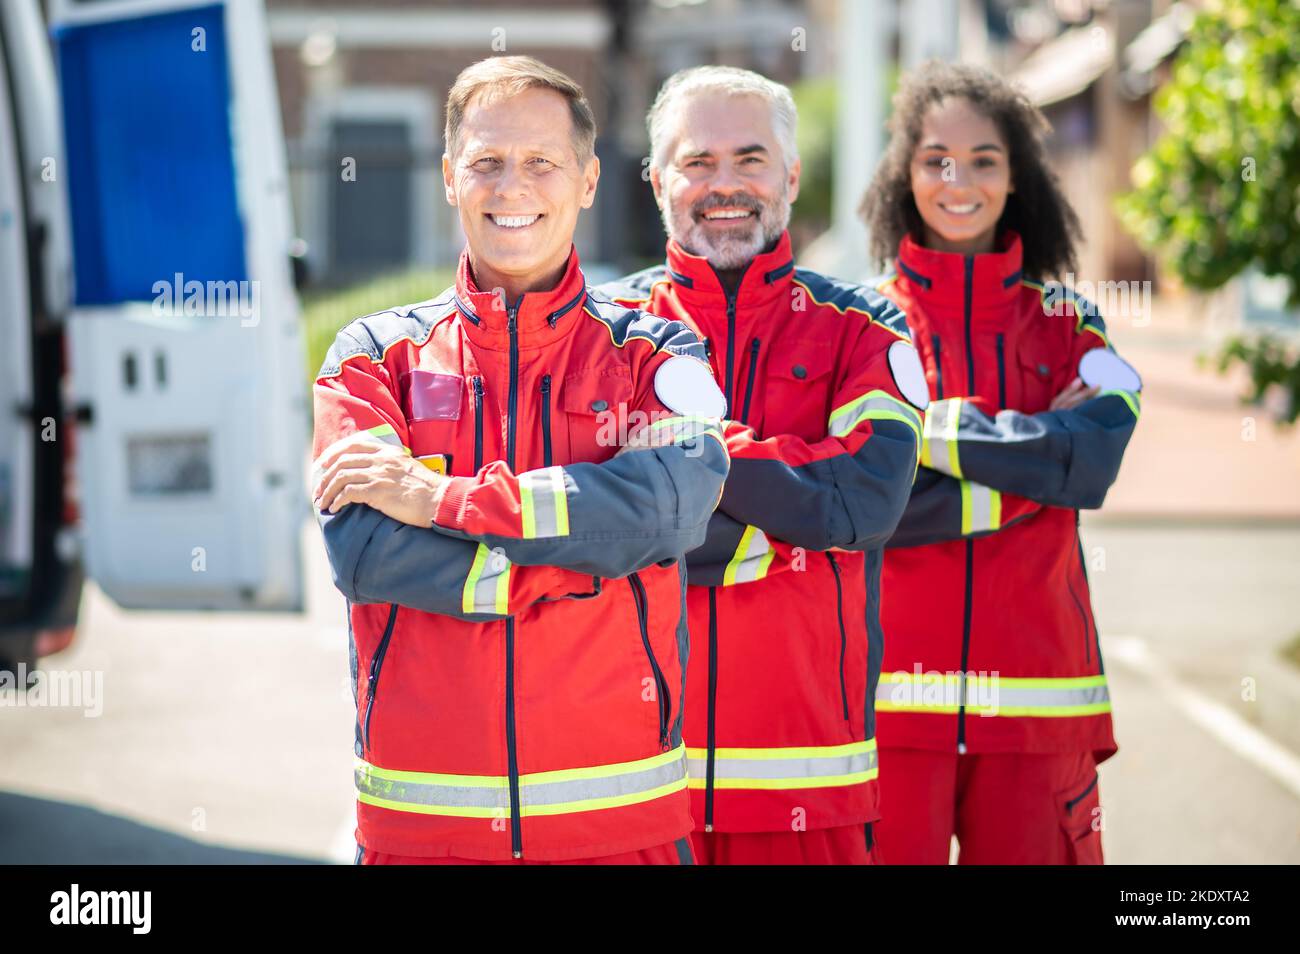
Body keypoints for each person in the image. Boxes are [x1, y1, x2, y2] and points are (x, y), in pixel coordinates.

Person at [311, 56, 729, 865]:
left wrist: (443, 501)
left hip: (620, 823)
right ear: (447, 177)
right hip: (422, 831)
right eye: (487, 163)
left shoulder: (657, 350)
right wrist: (586, 568)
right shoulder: (371, 357)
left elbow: (673, 508)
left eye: (542, 162)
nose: (513, 188)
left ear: (588, 182)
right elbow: (364, 553)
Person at [598, 66, 924, 865]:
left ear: (791, 175)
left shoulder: (867, 329)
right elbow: (596, 522)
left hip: (808, 777)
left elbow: (864, 506)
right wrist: (783, 522)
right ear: (656, 181)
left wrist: (694, 457)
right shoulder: (601, 332)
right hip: (630, 779)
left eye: (749, 159)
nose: (724, 186)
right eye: (696, 162)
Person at [860, 61, 1141, 864]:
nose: (959, 180)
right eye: (935, 160)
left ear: (1015, 176)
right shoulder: (858, 323)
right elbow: (870, 493)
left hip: (1039, 709)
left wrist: (927, 432)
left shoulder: (1073, 323)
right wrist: (1026, 459)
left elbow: (1092, 458)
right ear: (904, 174)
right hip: (890, 713)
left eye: (984, 159)